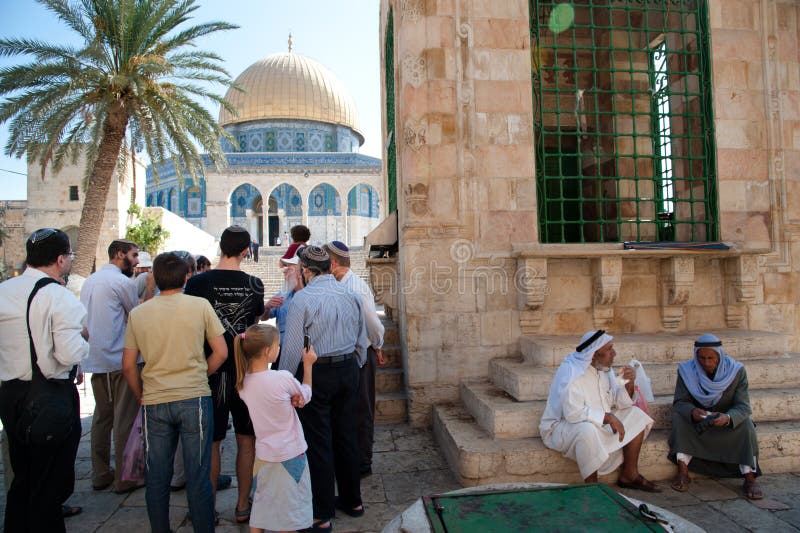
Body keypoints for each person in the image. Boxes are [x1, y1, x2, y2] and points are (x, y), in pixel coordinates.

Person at [122, 252, 228, 533]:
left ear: (154, 277)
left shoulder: (139, 313)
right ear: (186, 277)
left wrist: (139, 394)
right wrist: (200, 374)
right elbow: (221, 352)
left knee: (157, 476)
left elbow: (128, 365)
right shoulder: (199, 306)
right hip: (194, 397)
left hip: (155, 400)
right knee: (198, 474)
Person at [0, 228, 89, 532]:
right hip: (49, 397)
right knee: (48, 485)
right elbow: (69, 352)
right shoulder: (57, 296)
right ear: (61, 259)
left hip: (11, 395)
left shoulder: (4, 290)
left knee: (23, 479)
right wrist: (84, 341)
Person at [280, 245, 368, 531]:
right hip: (347, 370)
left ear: (306, 270)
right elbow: (361, 339)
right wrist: (353, 366)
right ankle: (353, 501)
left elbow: (292, 349)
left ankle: (322, 513)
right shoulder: (350, 293)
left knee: (319, 442)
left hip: (316, 373)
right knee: (345, 435)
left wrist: (283, 382)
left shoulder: (302, 299)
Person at [184, 226, 266, 523]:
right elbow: (254, 322)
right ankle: (243, 506)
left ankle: (208, 510)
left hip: (212, 371)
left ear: (221, 247)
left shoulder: (197, 283)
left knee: (213, 442)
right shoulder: (255, 284)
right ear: (246, 251)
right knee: (247, 440)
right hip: (245, 373)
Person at [539, 330, 660, 491]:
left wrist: (629, 384)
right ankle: (592, 487)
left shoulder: (604, 370)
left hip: (599, 423)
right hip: (564, 427)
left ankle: (629, 475)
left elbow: (618, 402)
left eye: (612, 348)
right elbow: (573, 414)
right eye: (609, 350)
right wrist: (608, 418)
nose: (614, 353)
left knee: (637, 414)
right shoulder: (571, 372)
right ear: (594, 355)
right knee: (586, 430)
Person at [235, 324, 317, 533]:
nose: (279, 348)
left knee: (264, 504)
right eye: (277, 345)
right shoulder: (281, 378)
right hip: (289, 453)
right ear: (267, 351)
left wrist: (290, 397)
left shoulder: (243, 384)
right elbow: (305, 394)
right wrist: (308, 365)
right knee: (288, 513)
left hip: (263, 455)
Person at [80, 239, 142, 493]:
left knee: (102, 419)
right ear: (119, 254)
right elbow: (136, 315)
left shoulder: (91, 280)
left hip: (96, 360)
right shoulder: (121, 282)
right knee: (124, 418)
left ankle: (100, 473)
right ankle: (125, 477)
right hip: (119, 360)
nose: (137, 261)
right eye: (134, 255)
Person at [668, 334, 762, 499]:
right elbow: (680, 402)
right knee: (679, 418)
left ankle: (749, 478)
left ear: (719, 355)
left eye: (711, 358)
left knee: (746, 425)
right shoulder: (687, 370)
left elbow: (743, 406)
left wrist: (727, 418)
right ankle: (683, 472)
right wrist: (692, 412)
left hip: (725, 423)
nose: (706, 362)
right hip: (699, 423)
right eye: (702, 358)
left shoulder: (736, 371)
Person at [325, 241, 385, 477]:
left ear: (333, 263)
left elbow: (373, 324)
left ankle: (363, 462)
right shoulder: (336, 284)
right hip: (344, 356)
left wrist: (378, 345)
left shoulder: (356, 287)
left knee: (362, 409)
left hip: (360, 356)